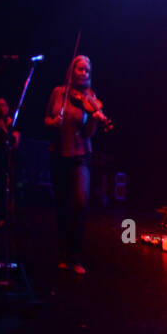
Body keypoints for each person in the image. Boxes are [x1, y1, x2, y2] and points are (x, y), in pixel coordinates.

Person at [44, 56, 110, 275]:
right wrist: (53, 122)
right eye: (81, 69)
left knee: (81, 200)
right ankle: (63, 252)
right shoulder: (58, 92)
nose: (84, 74)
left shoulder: (91, 99)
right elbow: (45, 120)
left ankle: (76, 254)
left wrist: (94, 119)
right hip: (58, 154)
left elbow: (88, 133)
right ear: (72, 71)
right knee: (61, 204)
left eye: (88, 71)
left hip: (81, 155)